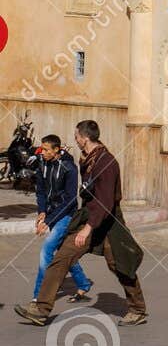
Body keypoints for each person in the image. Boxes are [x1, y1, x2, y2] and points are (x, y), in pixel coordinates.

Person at [15, 120, 147, 327]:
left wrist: (87, 229)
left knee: (120, 266)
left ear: (84, 138)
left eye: (76, 136)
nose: (75, 140)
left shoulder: (106, 162)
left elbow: (105, 202)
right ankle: (41, 310)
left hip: (107, 223)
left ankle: (137, 309)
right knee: (61, 258)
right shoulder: (88, 158)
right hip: (89, 218)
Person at [33, 134, 93, 303]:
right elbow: (41, 191)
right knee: (64, 251)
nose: (42, 152)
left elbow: (70, 201)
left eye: (46, 149)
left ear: (56, 150)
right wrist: (42, 211)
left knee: (46, 251)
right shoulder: (42, 163)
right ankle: (83, 283)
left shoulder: (69, 169)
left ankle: (39, 296)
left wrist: (48, 221)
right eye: (42, 148)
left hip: (66, 214)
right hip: (51, 213)